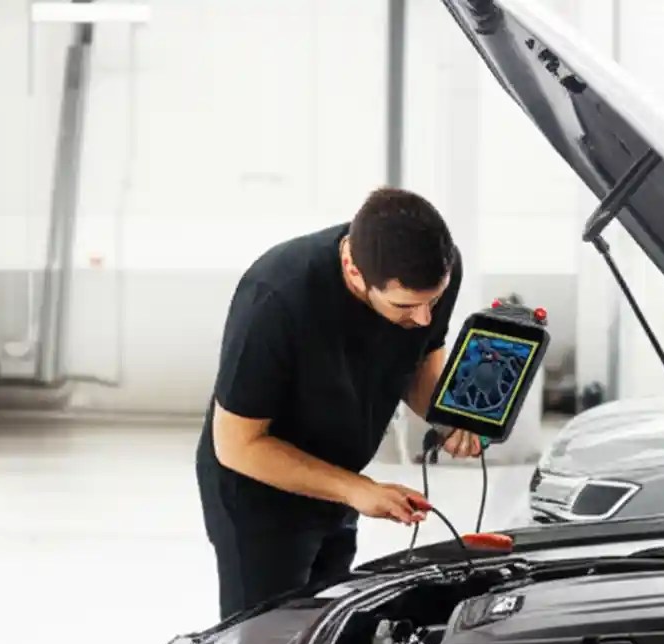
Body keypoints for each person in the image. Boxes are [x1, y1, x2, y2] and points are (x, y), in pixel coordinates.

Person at [195, 187, 482, 619]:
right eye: (405, 306)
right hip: (258, 492)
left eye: (434, 303)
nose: (423, 318)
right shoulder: (275, 298)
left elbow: (420, 356)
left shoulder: (435, 275)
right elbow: (237, 444)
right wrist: (358, 490)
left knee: (324, 624)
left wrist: (451, 418)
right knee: (265, 643)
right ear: (352, 269)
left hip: (341, 481)